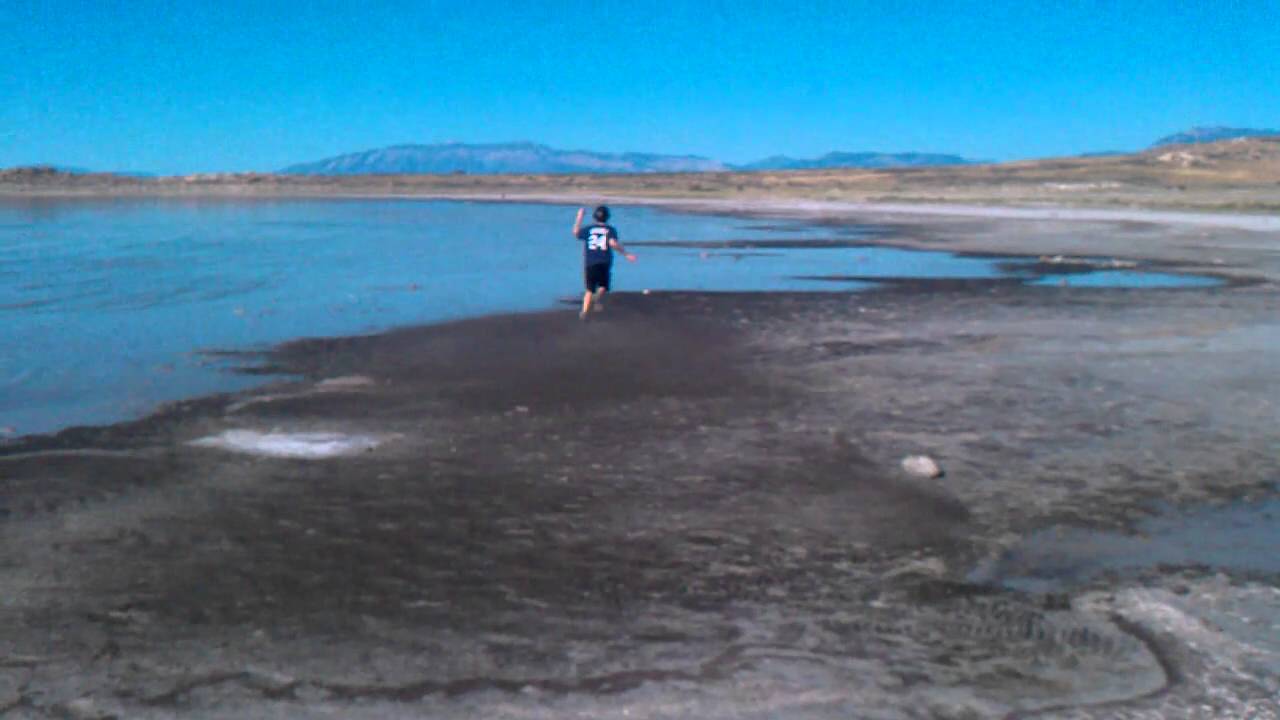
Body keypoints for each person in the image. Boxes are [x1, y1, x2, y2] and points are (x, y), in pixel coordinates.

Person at [572, 205, 636, 319]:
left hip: (590, 262)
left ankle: (585, 311)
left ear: (594, 217)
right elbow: (613, 243)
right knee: (603, 286)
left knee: (589, 289)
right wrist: (626, 254)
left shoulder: (588, 229)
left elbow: (576, 232)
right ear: (607, 217)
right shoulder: (610, 230)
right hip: (604, 262)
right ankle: (596, 299)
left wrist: (579, 217)